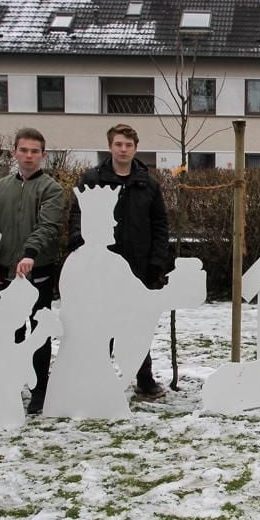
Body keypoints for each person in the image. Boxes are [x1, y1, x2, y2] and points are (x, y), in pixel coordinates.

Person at [69, 124, 172, 399]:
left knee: (137, 325)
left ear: (135, 148)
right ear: (110, 146)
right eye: (118, 144)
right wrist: (81, 246)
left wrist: (157, 263)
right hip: (102, 265)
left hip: (138, 266)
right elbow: (77, 216)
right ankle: (97, 376)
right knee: (101, 325)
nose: (123, 149)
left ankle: (144, 378)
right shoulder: (93, 178)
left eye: (128, 145)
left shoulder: (147, 183)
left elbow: (160, 224)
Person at [0, 128, 65, 414]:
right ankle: (12, 381)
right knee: (12, 329)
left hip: (38, 268)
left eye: (35, 151)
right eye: (24, 150)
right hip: (6, 269)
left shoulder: (51, 189)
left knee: (37, 327)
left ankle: (39, 387)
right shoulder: (1, 187)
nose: (29, 156)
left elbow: (48, 226)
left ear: (43, 155)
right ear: (15, 152)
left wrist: (30, 253)